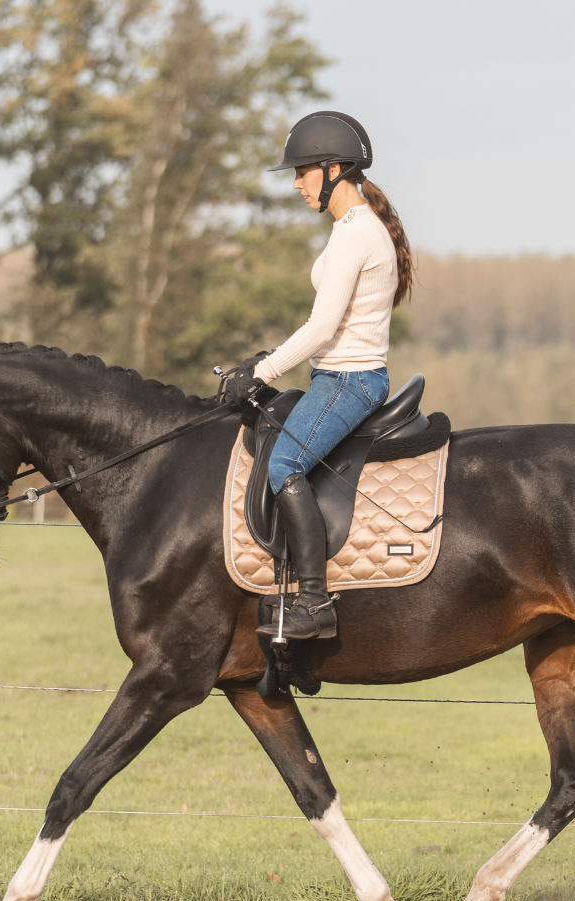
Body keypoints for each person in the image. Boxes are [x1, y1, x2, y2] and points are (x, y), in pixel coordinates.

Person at [222, 111, 414, 641]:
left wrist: (261, 371)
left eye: (302, 172)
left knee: (284, 464)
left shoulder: (356, 235)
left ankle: (314, 602)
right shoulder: (350, 228)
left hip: (349, 381)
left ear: (333, 170)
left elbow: (323, 326)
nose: (296, 183)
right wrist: (262, 363)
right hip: (333, 376)